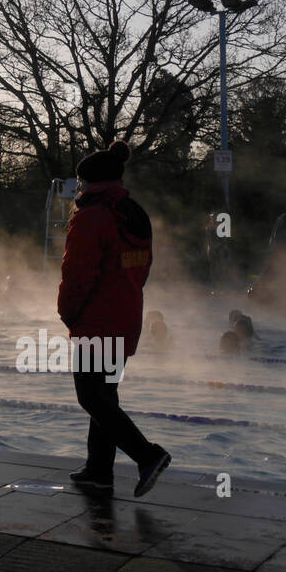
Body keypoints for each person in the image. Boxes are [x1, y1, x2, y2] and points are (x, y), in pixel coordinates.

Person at [58, 141, 170, 497]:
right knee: (105, 394)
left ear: (87, 182)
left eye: (80, 182)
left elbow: (77, 274)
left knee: (90, 396)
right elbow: (143, 267)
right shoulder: (134, 213)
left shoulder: (91, 216)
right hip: (126, 316)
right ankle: (98, 469)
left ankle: (147, 455)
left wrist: (68, 312)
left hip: (96, 319)